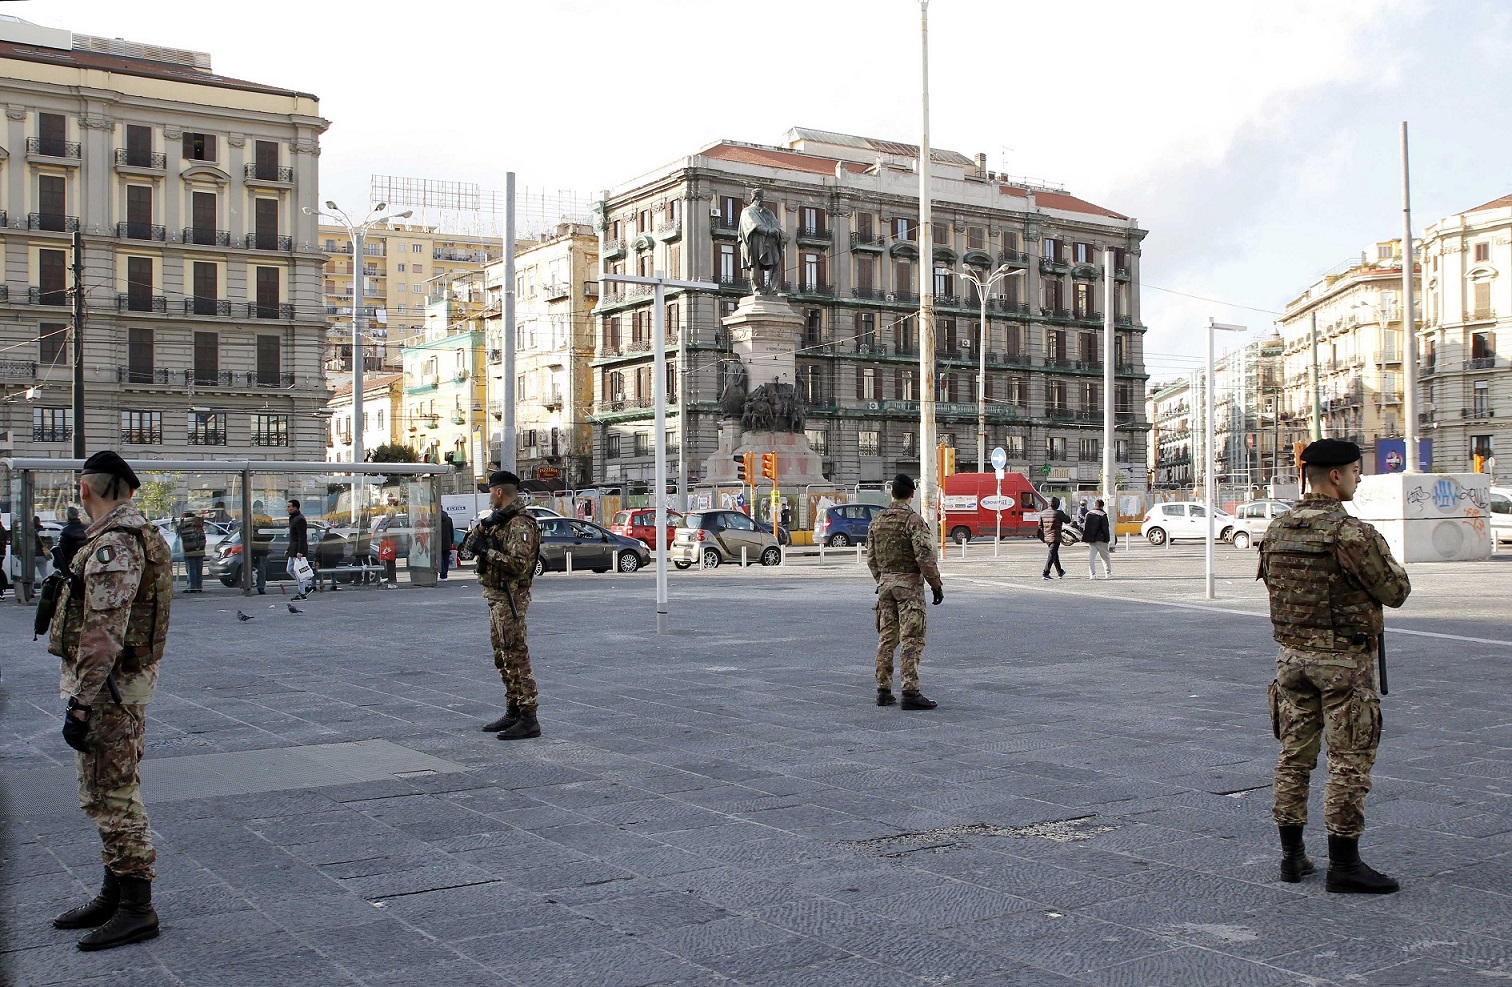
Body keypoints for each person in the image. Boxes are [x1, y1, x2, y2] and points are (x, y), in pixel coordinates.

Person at [1259, 438, 1411, 894]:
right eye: (1355, 471)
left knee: (1292, 760)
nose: (1359, 478)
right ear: (1336, 476)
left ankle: (1292, 858)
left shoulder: (1278, 529)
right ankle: (1344, 865)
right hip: (1343, 665)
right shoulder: (1352, 534)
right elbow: (1396, 591)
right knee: (1348, 764)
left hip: (1291, 662)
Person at [46, 450, 172, 950]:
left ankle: (137, 908)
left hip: (108, 689)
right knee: (104, 790)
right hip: (119, 685)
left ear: (84, 490)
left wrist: (81, 702)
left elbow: (103, 633)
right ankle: (115, 893)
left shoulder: (114, 545)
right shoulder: (126, 535)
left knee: (113, 793)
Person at [468, 470, 543, 740]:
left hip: (511, 598)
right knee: (502, 656)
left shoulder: (520, 523)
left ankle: (529, 717)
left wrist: (485, 551)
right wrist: (486, 524)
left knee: (516, 655)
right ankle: (513, 709)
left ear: (499, 492)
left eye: (490, 491)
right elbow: (469, 543)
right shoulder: (501, 520)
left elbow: (519, 565)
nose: (489, 497)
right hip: (496, 596)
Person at [866, 473, 944, 711]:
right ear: (912, 494)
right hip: (909, 588)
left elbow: (871, 558)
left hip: (885, 587)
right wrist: (936, 584)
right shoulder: (913, 521)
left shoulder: (877, 520)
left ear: (892, 493)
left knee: (887, 638)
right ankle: (910, 691)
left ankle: (883, 689)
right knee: (912, 638)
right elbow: (924, 556)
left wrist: (883, 579)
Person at [1040, 497, 1072, 580]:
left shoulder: (1043, 513)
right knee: (1052, 554)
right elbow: (1067, 520)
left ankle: (1060, 571)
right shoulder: (1058, 513)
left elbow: (1039, 525)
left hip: (1047, 537)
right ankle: (1045, 572)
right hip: (1055, 537)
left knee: (1054, 554)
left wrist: (1045, 533)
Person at [285, 499, 311, 600]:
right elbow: (293, 537)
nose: (287, 508)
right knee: (290, 569)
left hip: (298, 550)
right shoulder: (293, 518)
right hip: (293, 549)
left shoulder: (299, 519)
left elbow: (302, 537)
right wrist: (288, 549)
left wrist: (300, 551)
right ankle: (305, 586)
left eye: (289, 506)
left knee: (297, 571)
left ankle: (302, 592)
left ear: (295, 507)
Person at [174, 511, 205, 593]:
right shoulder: (199, 523)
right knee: (199, 569)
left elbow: (179, 532)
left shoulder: (185, 524)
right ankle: (198, 586)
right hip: (200, 550)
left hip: (189, 549)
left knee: (191, 569)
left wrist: (177, 524)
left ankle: (192, 587)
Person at [54, 506, 90, 575]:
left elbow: (61, 549)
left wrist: (57, 563)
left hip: (71, 565)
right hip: (86, 563)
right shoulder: (87, 528)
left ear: (67, 516)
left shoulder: (65, 531)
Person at [1083, 499, 1113, 580]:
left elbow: (1086, 527)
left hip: (1091, 539)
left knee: (1092, 557)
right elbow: (1105, 528)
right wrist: (1107, 539)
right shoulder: (1103, 515)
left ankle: (1092, 574)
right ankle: (1108, 573)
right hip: (1101, 539)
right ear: (1102, 506)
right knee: (1105, 557)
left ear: (1095, 505)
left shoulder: (1088, 514)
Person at [249, 500, 272, 595]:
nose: (257, 509)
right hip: (253, 548)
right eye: (255, 507)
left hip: (261, 548)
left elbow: (270, 533)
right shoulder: (250, 517)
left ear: (262, 508)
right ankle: (248, 586)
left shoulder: (266, 519)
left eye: (259, 507)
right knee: (249, 568)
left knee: (261, 569)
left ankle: (260, 587)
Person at [317, 527, 346, 592]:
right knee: (332, 572)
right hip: (333, 560)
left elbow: (318, 550)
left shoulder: (324, 540)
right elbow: (341, 552)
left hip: (324, 559)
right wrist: (337, 559)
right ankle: (334, 584)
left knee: (319, 571)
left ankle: (319, 585)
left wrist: (317, 558)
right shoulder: (337, 540)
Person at [34, 515, 52, 585]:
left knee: (30, 574)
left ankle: (31, 589)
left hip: (33, 555)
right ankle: (47, 586)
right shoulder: (44, 531)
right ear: (39, 521)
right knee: (44, 573)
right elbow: (50, 543)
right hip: (43, 555)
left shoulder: (30, 531)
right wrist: (46, 548)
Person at [438, 509, 454, 581]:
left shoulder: (435, 520)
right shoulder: (449, 519)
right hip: (447, 542)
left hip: (438, 542)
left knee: (440, 559)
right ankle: (445, 575)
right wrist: (451, 542)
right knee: (446, 559)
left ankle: (442, 574)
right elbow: (451, 531)